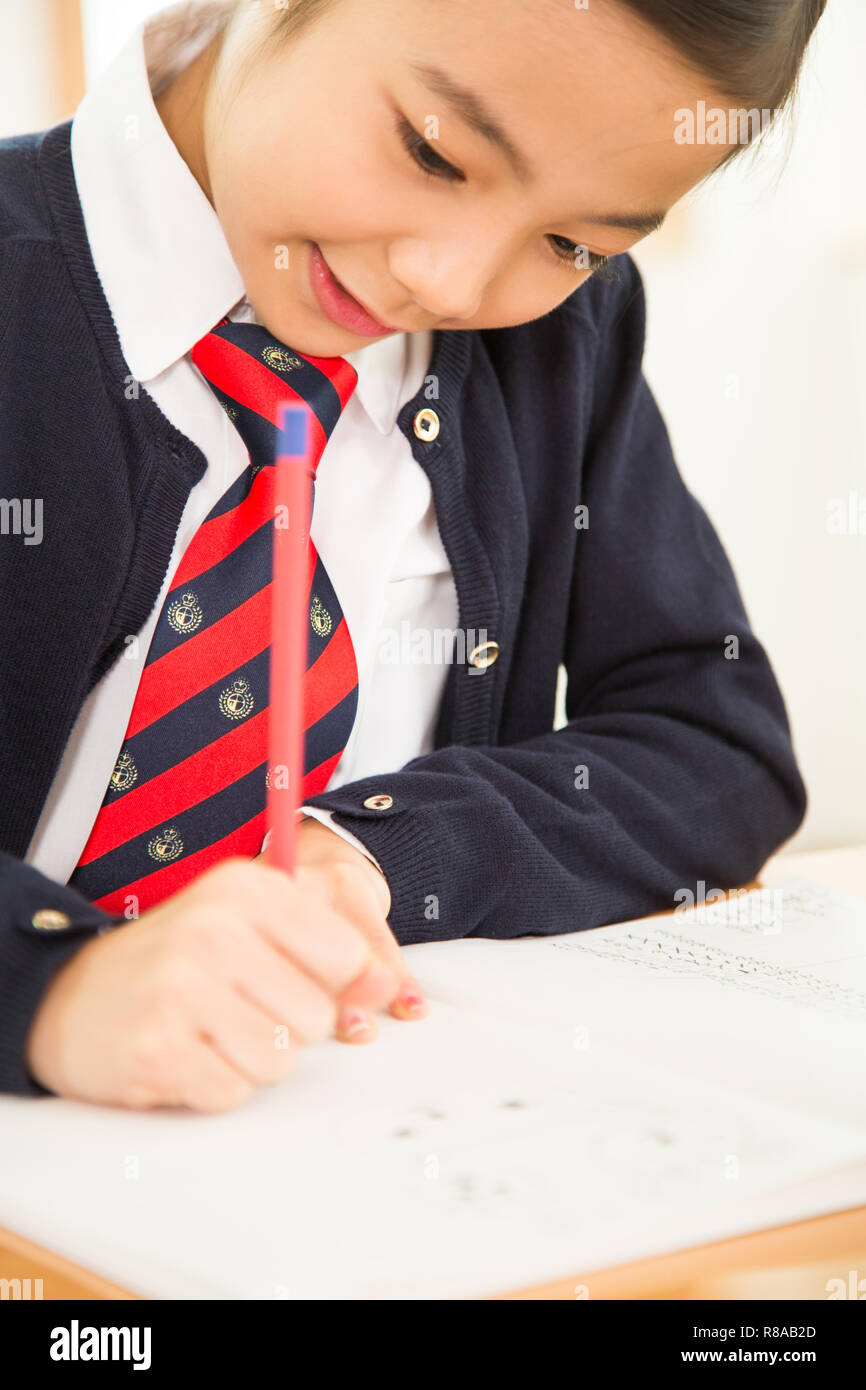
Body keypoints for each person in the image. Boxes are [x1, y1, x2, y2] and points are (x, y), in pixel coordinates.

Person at [0, 0, 824, 1110]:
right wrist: (49, 986)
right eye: (434, 151)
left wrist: (378, 851)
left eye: (573, 243)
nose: (448, 285)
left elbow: (716, 748)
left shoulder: (551, 348)